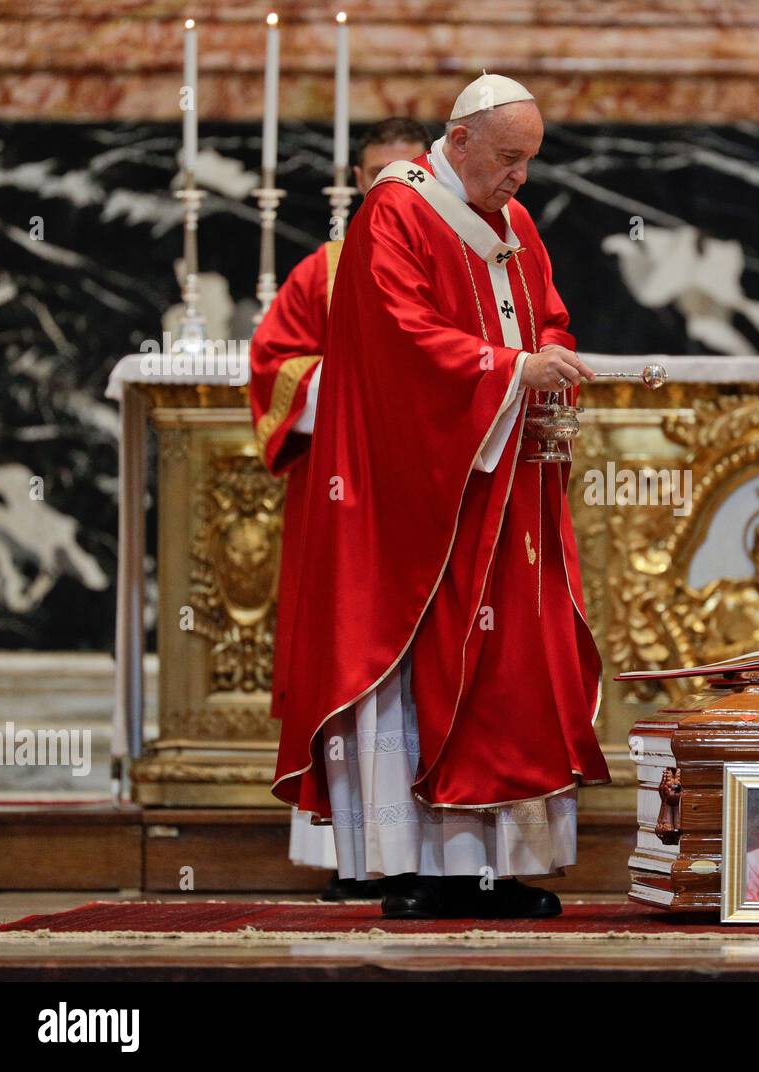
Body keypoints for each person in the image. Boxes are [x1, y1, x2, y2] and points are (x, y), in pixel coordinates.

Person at [268, 74, 610, 920]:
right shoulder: (396, 213)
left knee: (512, 672)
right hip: (425, 499)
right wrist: (509, 371)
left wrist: (552, 360)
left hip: (506, 492)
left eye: (529, 161)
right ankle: (416, 866)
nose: (519, 178)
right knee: (427, 670)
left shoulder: (518, 223)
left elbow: (549, 317)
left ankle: (496, 870)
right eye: (507, 158)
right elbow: (399, 340)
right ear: (457, 140)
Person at [249, 118, 431, 901]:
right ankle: (358, 854)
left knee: (421, 675)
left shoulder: (445, 262)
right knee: (352, 664)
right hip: (345, 504)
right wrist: (358, 390)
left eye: (405, 175)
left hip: (426, 499)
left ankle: (433, 856)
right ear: (359, 183)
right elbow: (274, 369)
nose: (390, 190)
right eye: (377, 176)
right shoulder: (322, 273)